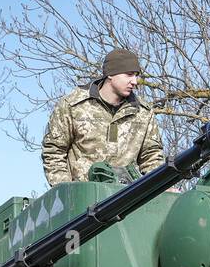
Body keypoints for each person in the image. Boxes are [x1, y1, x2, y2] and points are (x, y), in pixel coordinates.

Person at [41, 49, 167, 186]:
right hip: (83, 197)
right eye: (129, 74)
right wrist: (67, 191)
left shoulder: (143, 112)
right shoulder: (73, 106)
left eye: (136, 75)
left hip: (129, 197)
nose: (135, 81)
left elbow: (152, 157)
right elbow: (53, 152)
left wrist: (160, 186)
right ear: (111, 74)